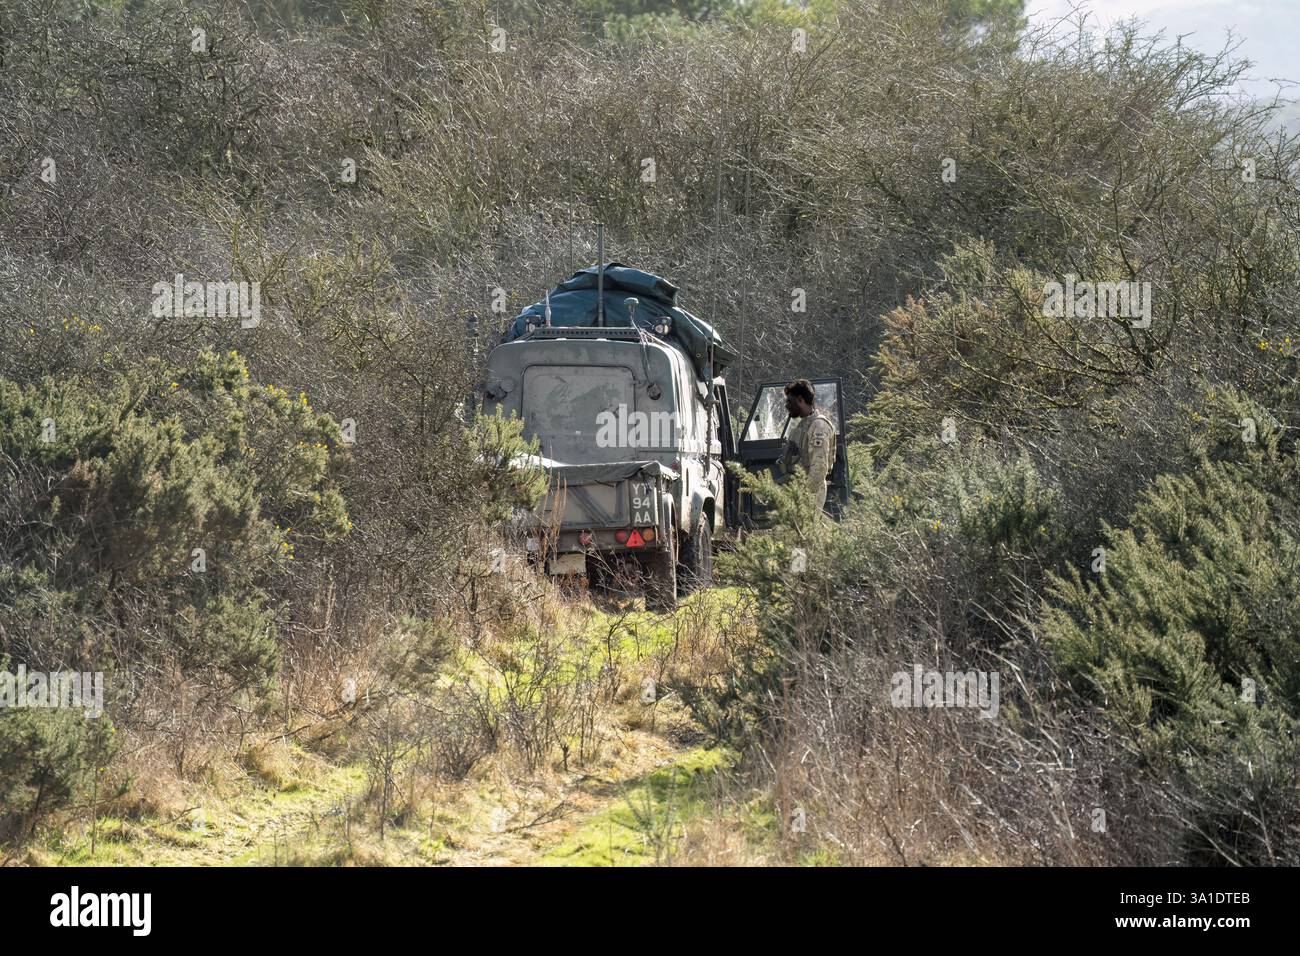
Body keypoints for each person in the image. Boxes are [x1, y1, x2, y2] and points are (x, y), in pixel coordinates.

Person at [778, 379, 836, 512]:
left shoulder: (819, 426)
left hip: (810, 495)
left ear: (800, 400)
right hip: (798, 490)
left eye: (790, 402)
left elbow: (819, 470)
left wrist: (801, 495)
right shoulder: (802, 425)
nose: (787, 406)